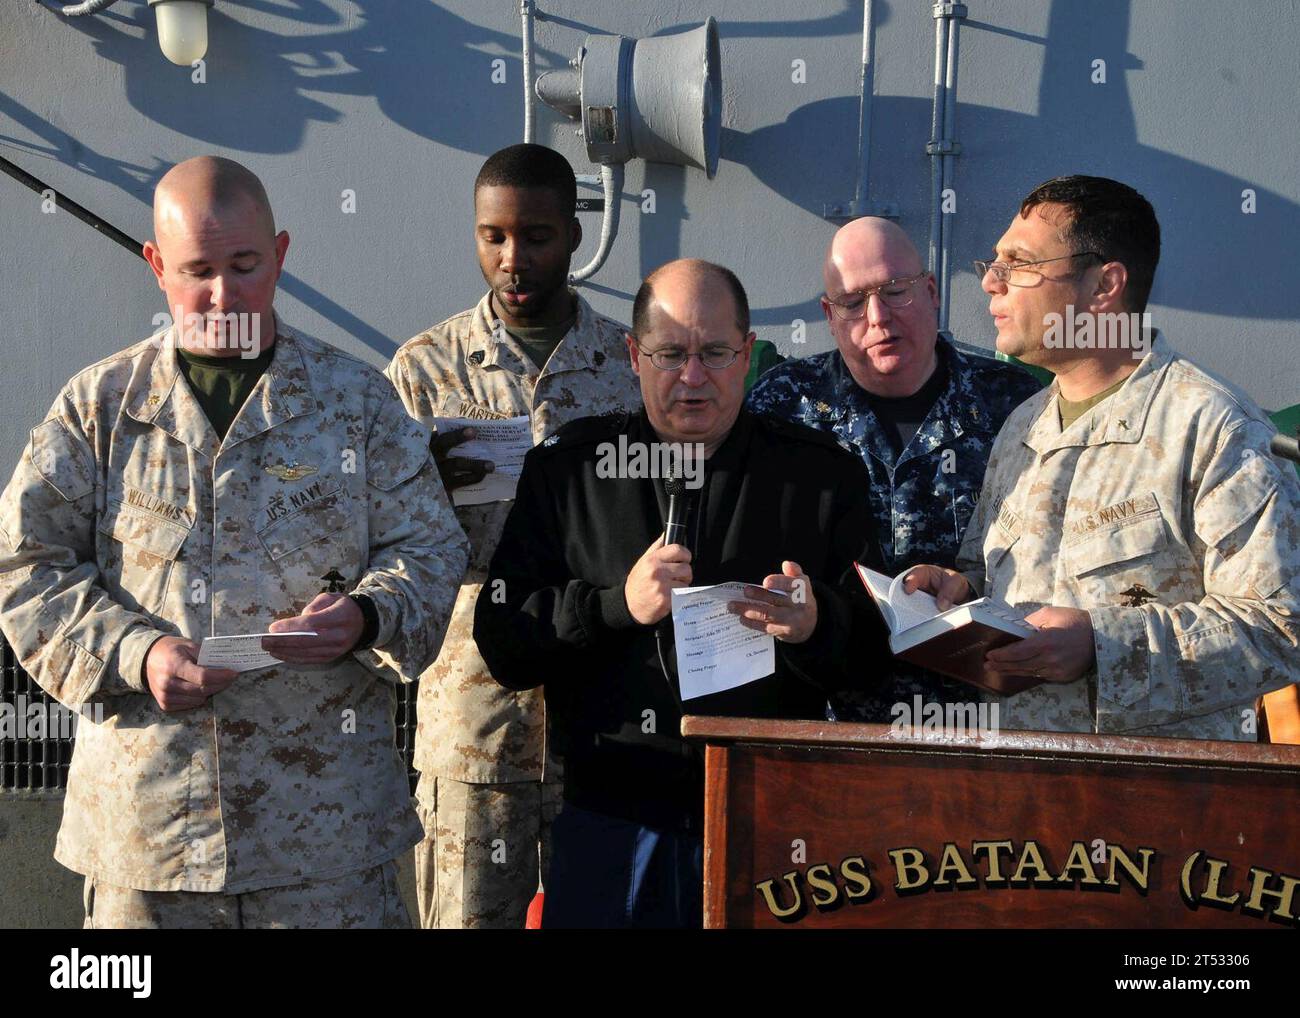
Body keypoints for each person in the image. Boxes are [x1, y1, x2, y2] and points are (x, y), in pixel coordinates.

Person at [0, 156, 469, 928]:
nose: (223, 296)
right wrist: (136, 654)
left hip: (324, 845)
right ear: (156, 267)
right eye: (198, 272)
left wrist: (366, 617)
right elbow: (26, 570)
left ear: (281, 254)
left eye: (245, 266)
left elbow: (429, 549)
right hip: (150, 842)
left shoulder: (357, 403)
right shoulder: (100, 409)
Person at [473, 259, 887, 928]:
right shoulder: (570, 472)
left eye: (715, 353)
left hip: (771, 823)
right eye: (670, 354)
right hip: (613, 824)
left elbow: (878, 649)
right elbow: (503, 643)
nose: (693, 377)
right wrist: (612, 606)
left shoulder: (819, 477)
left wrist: (817, 623)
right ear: (634, 355)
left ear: (747, 355)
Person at [905, 175, 1300, 740]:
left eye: (1019, 264)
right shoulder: (1024, 425)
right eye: (993, 263)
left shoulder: (1211, 426)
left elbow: (1278, 629)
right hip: (1017, 787)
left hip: (1157, 807)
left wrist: (1102, 645)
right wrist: (958, 591)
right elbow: (987, 573)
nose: (992, 283)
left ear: (1104, 286)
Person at [386, 143, 640, 929]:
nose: (512, 257)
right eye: (493, 236)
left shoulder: (628, 368)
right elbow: (387, 538)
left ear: (573, 235)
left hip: (600, 716)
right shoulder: (423, 371)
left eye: (535, 236)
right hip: (471, 724)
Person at [747, 217, 1040, 723]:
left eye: (895, 291)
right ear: (829, 314)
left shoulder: (1014, 404)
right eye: (854, 302)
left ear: (931, 292)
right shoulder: (782, 405)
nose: (878, 318)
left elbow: (1052, 559)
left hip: (981, 720)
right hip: (829, 722)